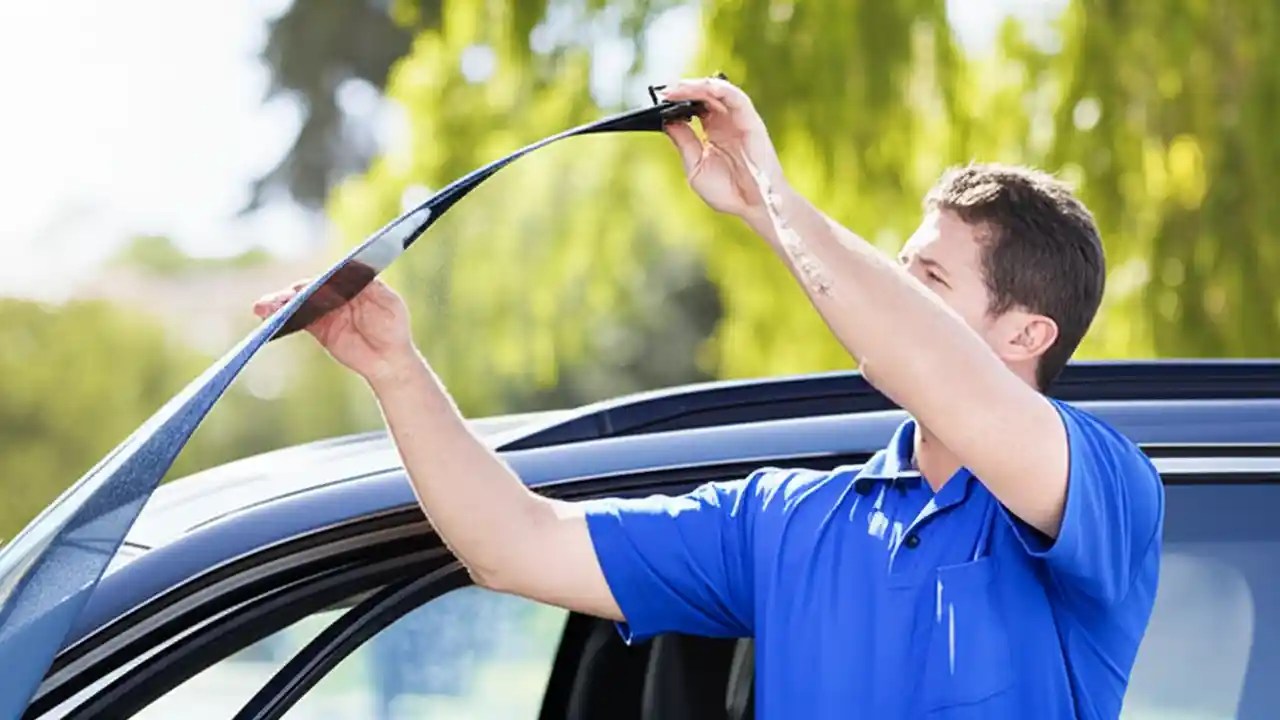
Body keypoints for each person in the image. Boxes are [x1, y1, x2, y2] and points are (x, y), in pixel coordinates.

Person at [254, 77, 1164, 719]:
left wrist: (773, 203)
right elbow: (516, 545)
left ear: (1025, 336)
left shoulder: (1101, 491)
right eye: (898, 272)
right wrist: (396, 370)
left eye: (928, 277)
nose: (890, 294)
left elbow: (922, 362)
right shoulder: (784, 522)